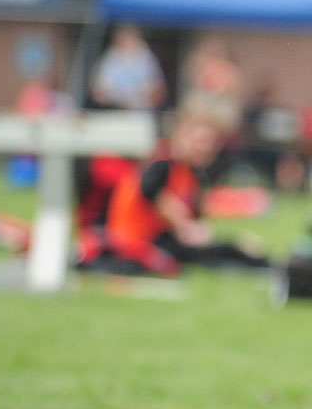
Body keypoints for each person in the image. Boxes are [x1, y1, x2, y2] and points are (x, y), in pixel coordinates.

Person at [87, 106, 273, 275]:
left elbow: (196, 222)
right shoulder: (163, 160)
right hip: (139, 242)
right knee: (223, 253)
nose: (206, 148)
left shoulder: (189, 175)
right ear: (182, 134)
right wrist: (182, 223)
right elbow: (149, 188)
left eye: (212, 142)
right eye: (201, 141)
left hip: (161, 239)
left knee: (226, 250)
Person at [90, 25, 166, 113]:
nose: (126, 42)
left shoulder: (146, 58)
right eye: (122, 38)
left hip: (141, 113)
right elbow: (97, 93)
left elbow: (160, 91)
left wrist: (141, 100)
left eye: (129, 38)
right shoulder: (110, 58)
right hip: (113, 112)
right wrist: (117, 100)